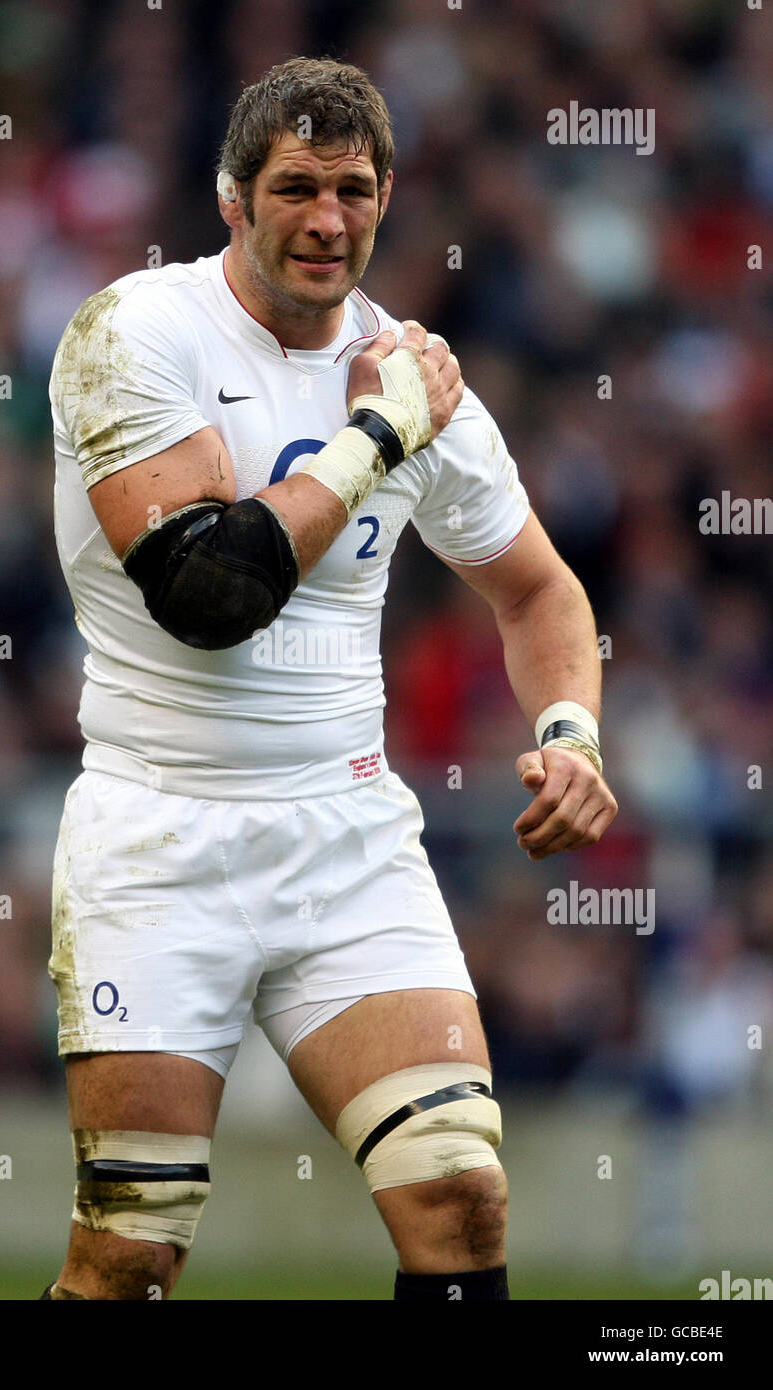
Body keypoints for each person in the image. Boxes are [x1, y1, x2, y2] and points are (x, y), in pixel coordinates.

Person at [42, 56, 617, 1302]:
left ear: (388, 194)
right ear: (231, 200)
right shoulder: (132, 332)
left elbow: (540, 592)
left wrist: (570, 730)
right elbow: (209, 601)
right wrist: (372, 439)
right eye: (295, 187)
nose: (327, 219)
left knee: (461, 1194)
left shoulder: (421, 381)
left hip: (346, 831)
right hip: (157, 828)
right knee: (133, 1254)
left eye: (353, 189)